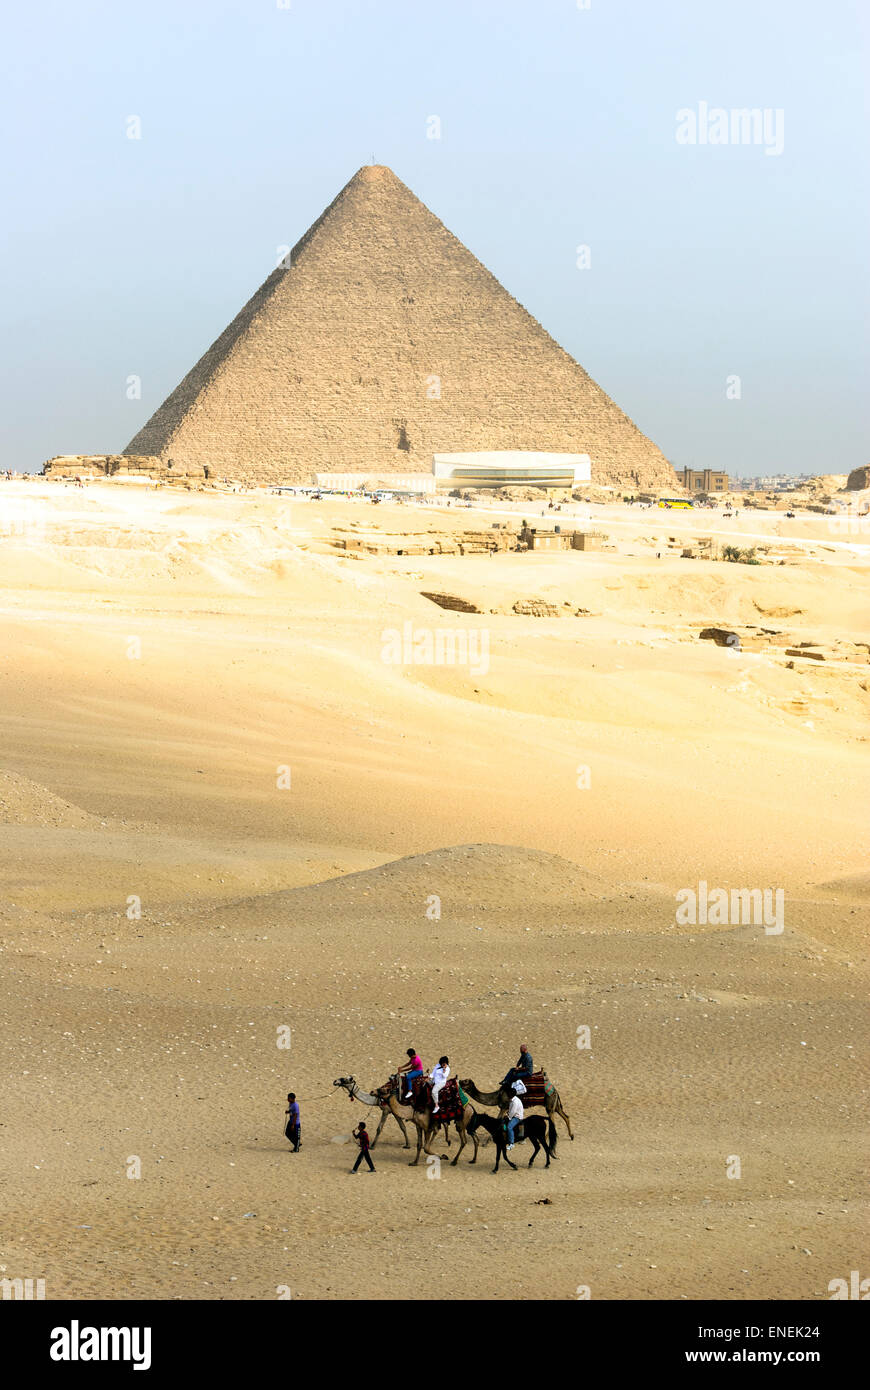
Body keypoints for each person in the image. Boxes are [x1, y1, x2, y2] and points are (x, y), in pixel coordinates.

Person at [506, 1085, 524, 1150]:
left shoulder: (515, 1102)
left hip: (517, 1117)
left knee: (509, 1127)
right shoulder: (512, 1100)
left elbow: (513, 1111)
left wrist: (508, 1117)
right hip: (514, 1115)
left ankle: (511, 1143)